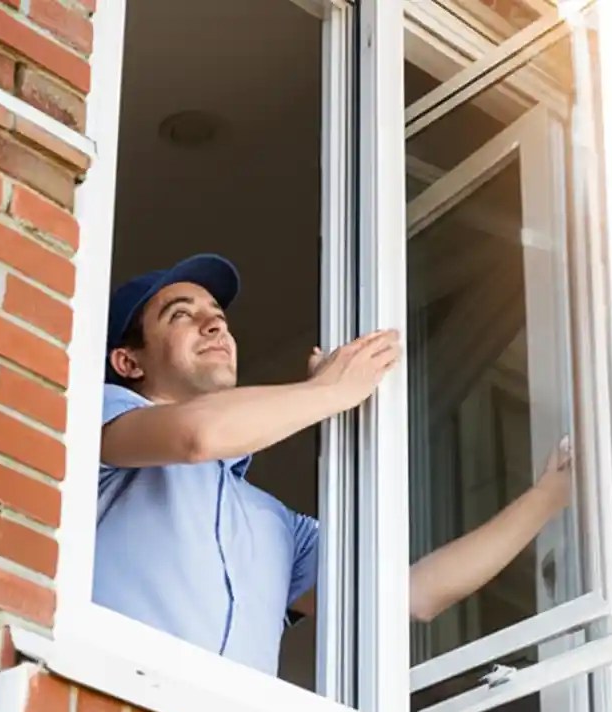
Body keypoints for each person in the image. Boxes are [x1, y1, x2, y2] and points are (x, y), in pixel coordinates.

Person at [94, 253, 573, 677]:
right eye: (182, 315)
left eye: (218, 316)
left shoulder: (274, 524)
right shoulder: (100, 416)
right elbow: (197, 436)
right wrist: (330, 392)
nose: (215, 325)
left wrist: (548, 498)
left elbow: (416, 593)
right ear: (128, 361)